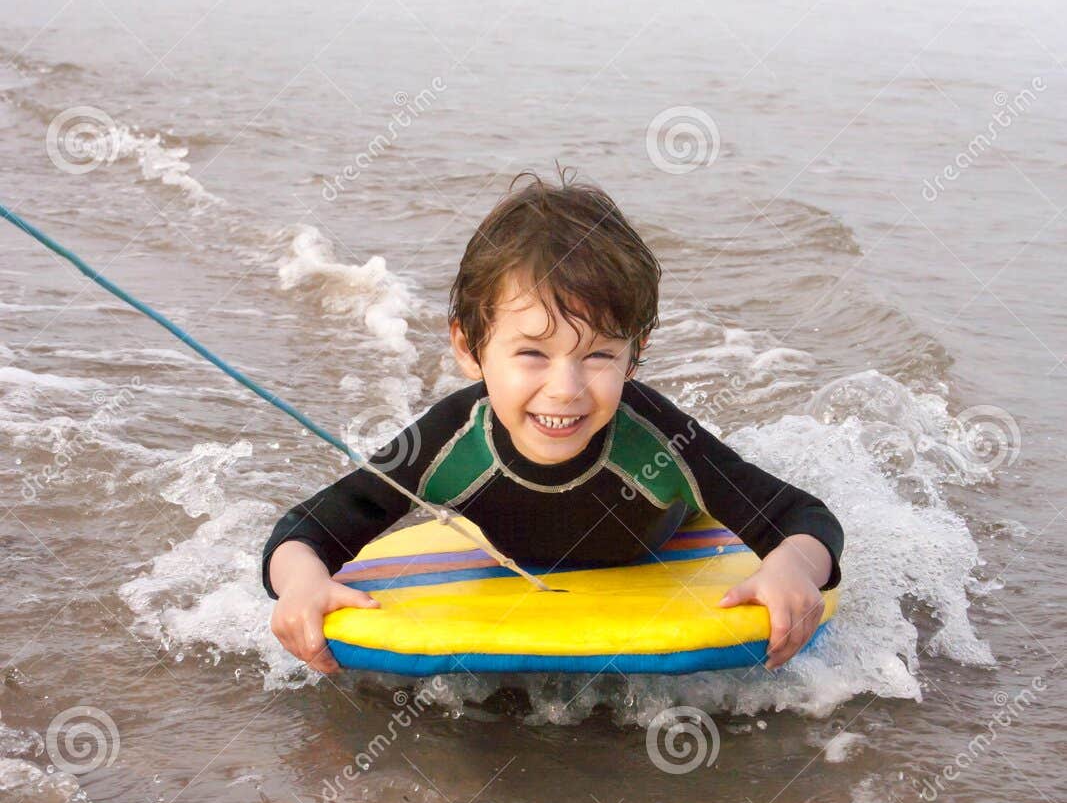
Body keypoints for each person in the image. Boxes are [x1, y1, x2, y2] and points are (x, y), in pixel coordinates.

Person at [262, 170, 844, 677]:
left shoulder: (658, 442)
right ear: (469, 348)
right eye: (532, 355)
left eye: (598, 356)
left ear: (633, 357)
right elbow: (303, 531)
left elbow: (803, 518)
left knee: (722, 489)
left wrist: (791, 567)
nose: (565, 389)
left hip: (667, 537)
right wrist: (302, 583)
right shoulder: (449, 440)